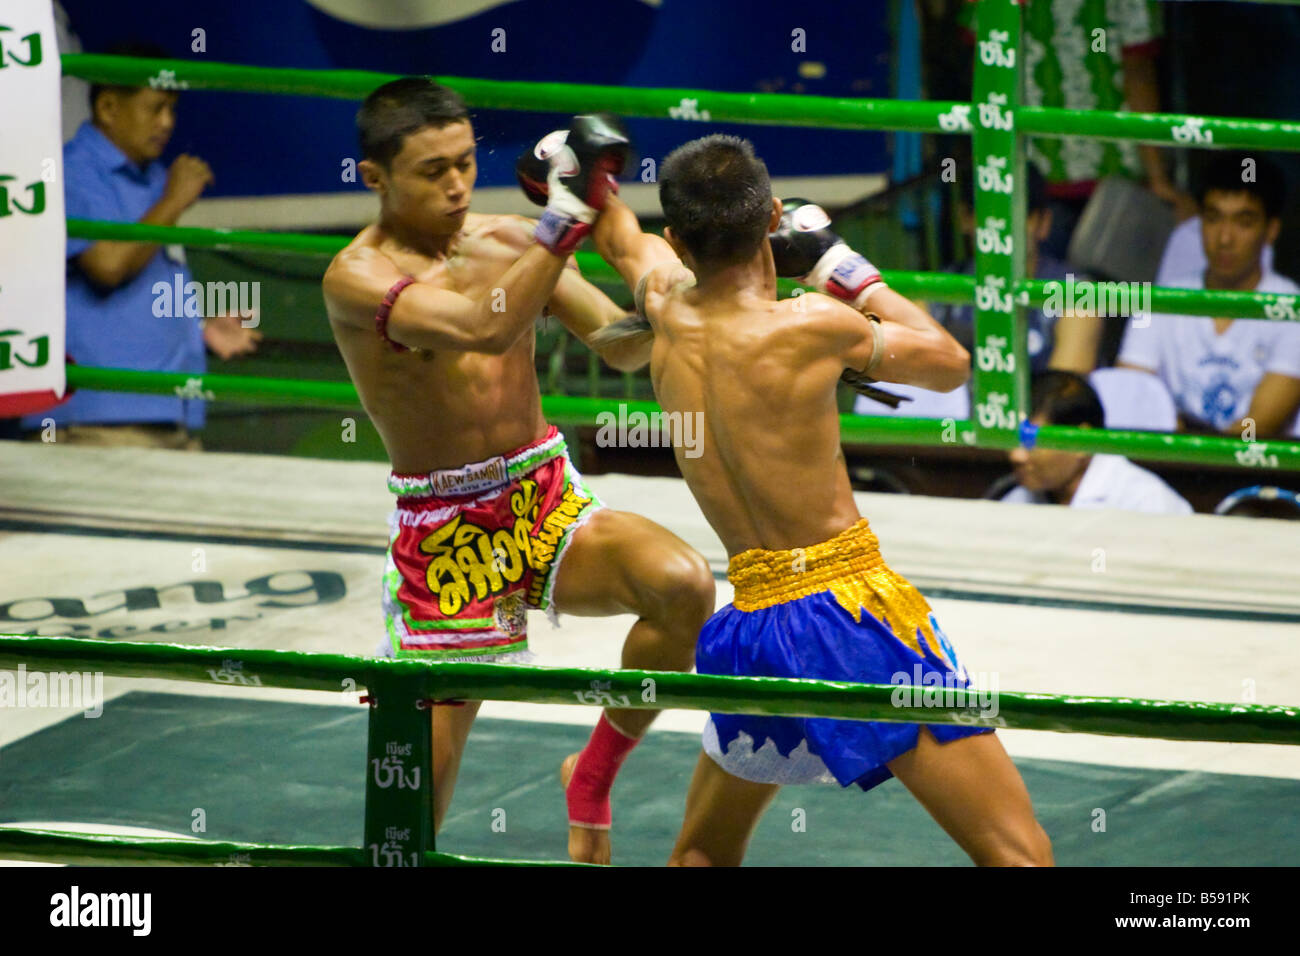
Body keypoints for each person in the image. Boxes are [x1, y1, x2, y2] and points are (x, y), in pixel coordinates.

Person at [584, 133, 1052, 866]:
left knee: (701, 856)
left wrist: (585, 183)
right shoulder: (812, 325)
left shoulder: (663, 307)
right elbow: (949, 362)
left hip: (750, 626)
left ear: (678, 238)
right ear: (772, 216)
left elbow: (621, 238)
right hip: (849, 619)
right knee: (1018, 855)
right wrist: (843, 266)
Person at [321, 80, 714, 865]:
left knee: (685, 586)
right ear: (374, 177)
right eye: (433, 170)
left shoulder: (513, 241)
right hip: (447, 535)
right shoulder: (354, 278)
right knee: (414, 793)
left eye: (465, 162)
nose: (458, 184)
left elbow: (621, 342)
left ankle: (591, 778)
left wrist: (655, 269)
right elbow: (483, 328)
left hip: (543, 494)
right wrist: (565, 221)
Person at [19, 41, 260, 450]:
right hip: (99, 419)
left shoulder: (151, 178)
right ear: (109, 108)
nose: (167, 122)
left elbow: (135, 290)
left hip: (164, 414)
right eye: (156, 107)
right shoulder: (67, 171)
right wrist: (172, 202)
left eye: (173, 109)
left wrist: (197, 329)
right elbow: (106, 267)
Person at [1117, 153, 1300, 438]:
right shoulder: (1159, 301)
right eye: (1214, 219)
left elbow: (1259, 426)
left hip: (1256, 475)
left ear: (1271, 230)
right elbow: (1131, 396)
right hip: (1170, 468)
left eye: (1244, 222)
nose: (1225, 239)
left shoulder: (1292, 308)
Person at [1001, 371, 1192, 514]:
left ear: (1080, 442)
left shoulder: (1147, 503)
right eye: (1014, 439)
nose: (1015, 455)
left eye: (1030, 440)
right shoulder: (1015, 500)